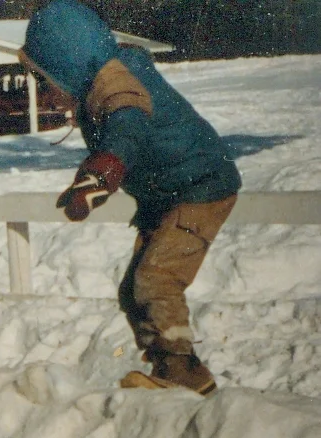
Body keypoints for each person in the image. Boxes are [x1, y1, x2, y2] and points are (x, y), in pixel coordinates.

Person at [23, 0, 241, 395]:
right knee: (132, 291)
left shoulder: (116, 83)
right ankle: (165, 363)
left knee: (155, 278)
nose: (43, 92)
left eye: (44, 79)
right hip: (166, 195)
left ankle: (182, 370)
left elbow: (127, 124)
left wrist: (102, 172)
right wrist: (91, 182)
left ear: (68, 64)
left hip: (200, 188)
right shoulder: (99, 81)